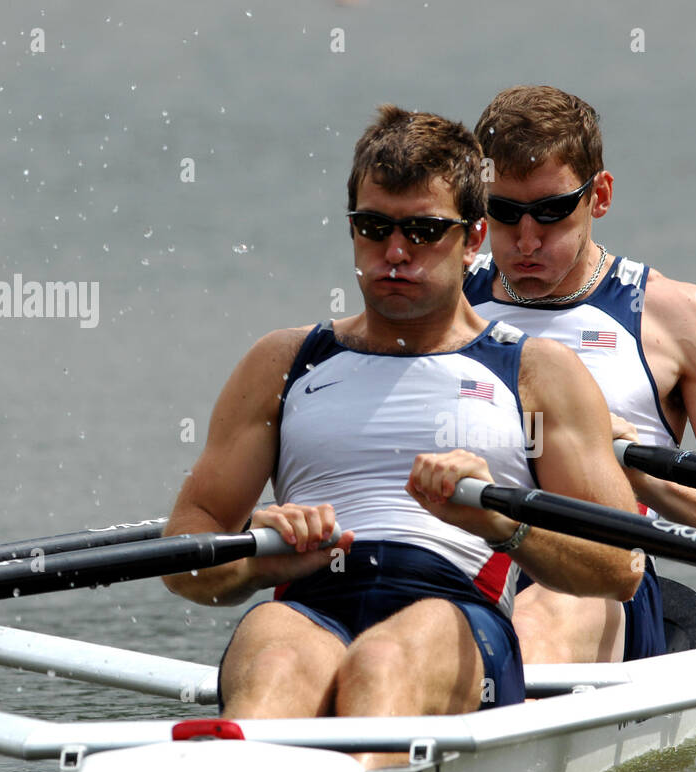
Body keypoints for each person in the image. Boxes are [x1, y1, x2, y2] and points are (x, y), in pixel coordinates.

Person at [161, 105, 641, 733]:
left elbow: (621, 565)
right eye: (373, 226)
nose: (393, 252)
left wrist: (504, 524)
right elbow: (181, 553)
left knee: (383, 662)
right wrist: (254, 559)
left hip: (455, 608)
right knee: (275, 661)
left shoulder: (534, 372)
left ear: (472, 239)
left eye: (422, 231)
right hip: (306, 603)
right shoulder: (283, 361)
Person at [465, 85, 696, 666]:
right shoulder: (442, 302)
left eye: (550, 211)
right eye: (503, 212)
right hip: (460, 563)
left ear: (600, 195)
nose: (526, 239)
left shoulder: (675, 318)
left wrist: (639, 479)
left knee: (544, 612)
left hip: (599, 580)